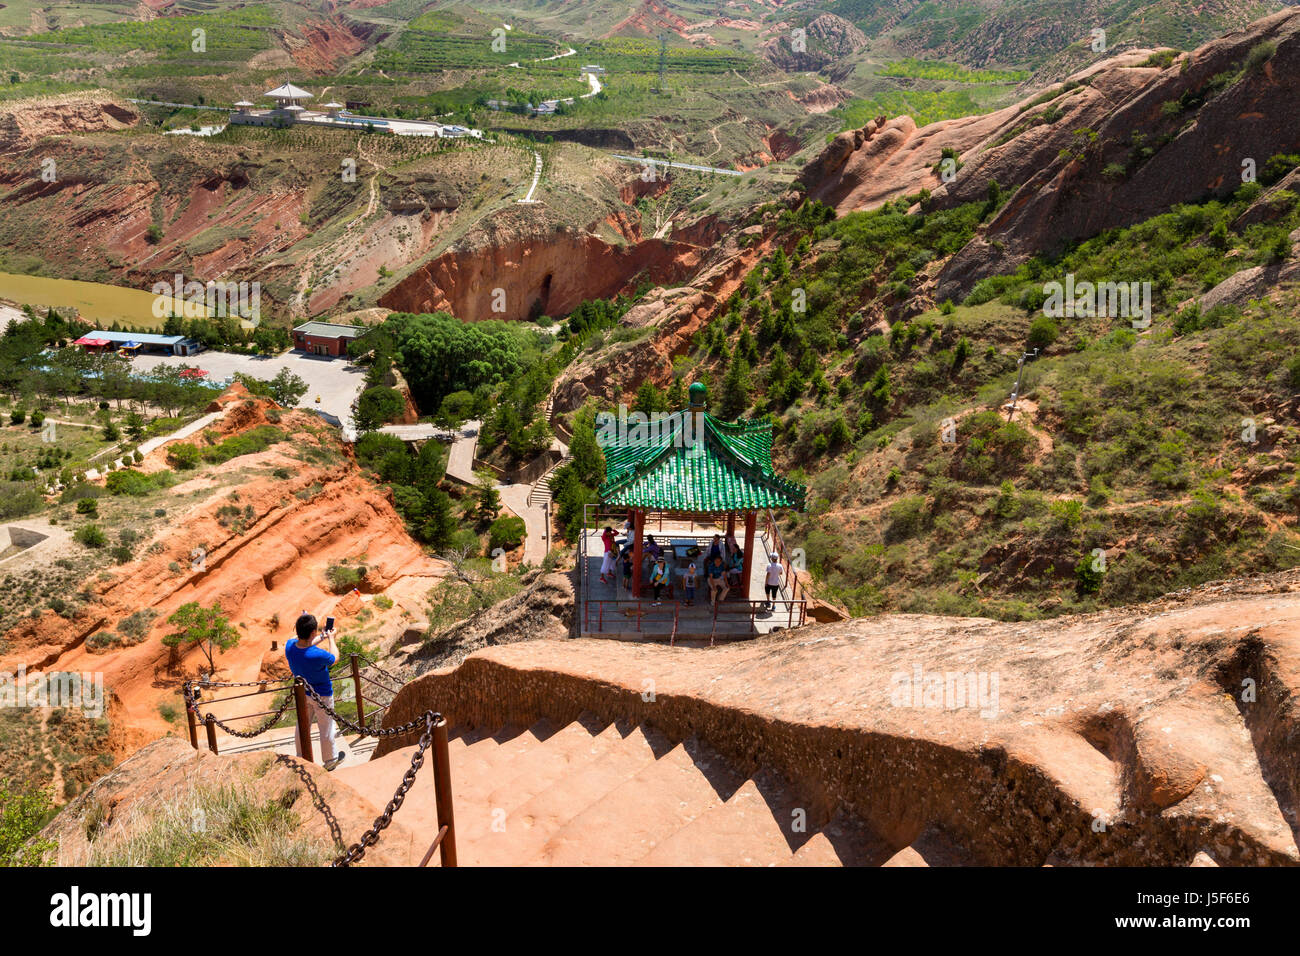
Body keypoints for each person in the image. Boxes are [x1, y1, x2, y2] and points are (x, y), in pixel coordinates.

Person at [285, 613, 346, 771]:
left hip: (303, 694)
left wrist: (321, 636)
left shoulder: (289, 647)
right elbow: (334, 657)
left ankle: (301, 756)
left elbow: (301, 642)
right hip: (322, 695)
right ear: (312, 632)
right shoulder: (317, 654)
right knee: (326, 727)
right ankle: (330, 760)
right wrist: (331, 638)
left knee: (302, 726)